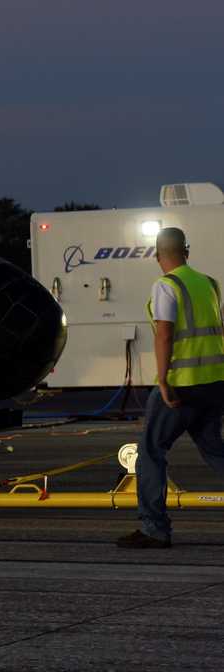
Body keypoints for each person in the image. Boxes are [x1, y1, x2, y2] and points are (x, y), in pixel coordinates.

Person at [118, 227, 224, 549]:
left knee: (150, 452)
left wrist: (162, 381)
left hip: (181, 386)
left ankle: (154, 529)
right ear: (187, 251)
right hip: (214, 383)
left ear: (156, 255)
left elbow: (164, 334)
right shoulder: (209, 284)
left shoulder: (166, 286)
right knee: (215, 450)